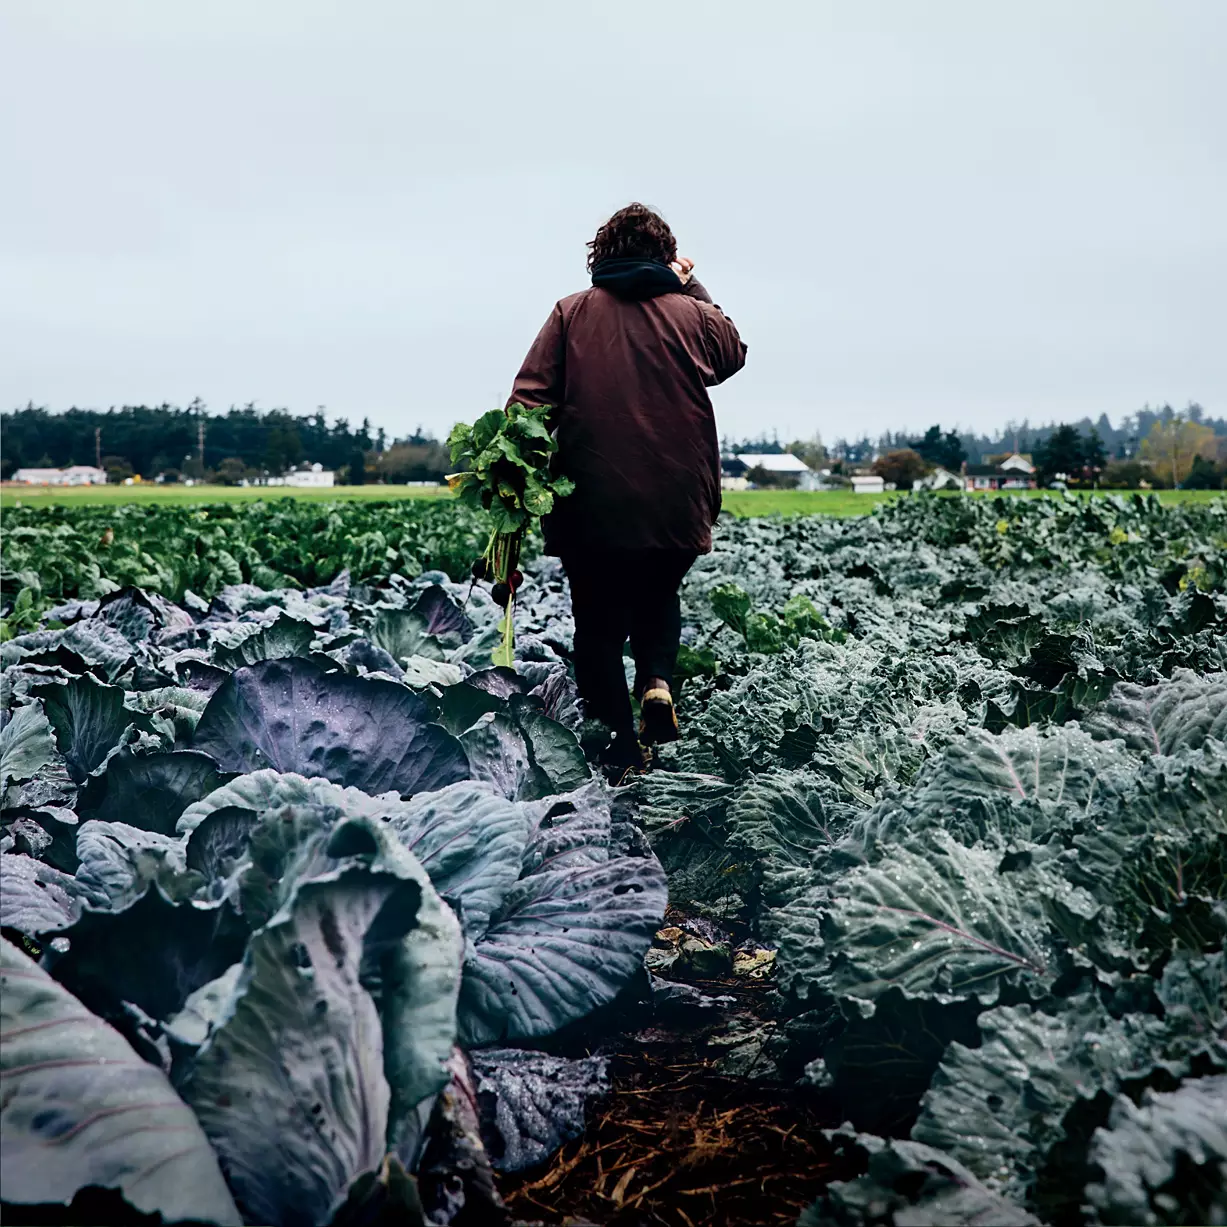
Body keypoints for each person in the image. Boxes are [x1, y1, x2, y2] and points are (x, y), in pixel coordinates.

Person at [507, 202, 747, 773]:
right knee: (659, 591)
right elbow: (733, 353)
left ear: (600, 255)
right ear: (666, 257)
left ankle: (621, 746)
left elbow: (529, 401)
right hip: (677, 500)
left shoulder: (571, 313)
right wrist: (695, 288)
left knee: (597, 621)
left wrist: (515, 464)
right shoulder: (693, 315)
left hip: (592, 500)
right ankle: (657, 682)